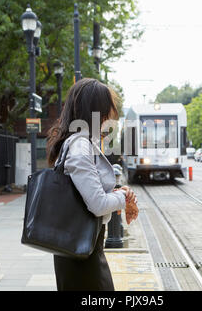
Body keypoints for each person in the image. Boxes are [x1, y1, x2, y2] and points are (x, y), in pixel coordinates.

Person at [46, 78, 139, 291]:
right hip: (80, 253)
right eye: (106, 110)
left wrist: (116, 194)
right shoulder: (80, 146)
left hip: (81, 246)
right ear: (94, 111)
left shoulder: (82, 143)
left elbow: (87, 193)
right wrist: (124, 199)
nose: (109, 117)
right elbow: (97, 204)